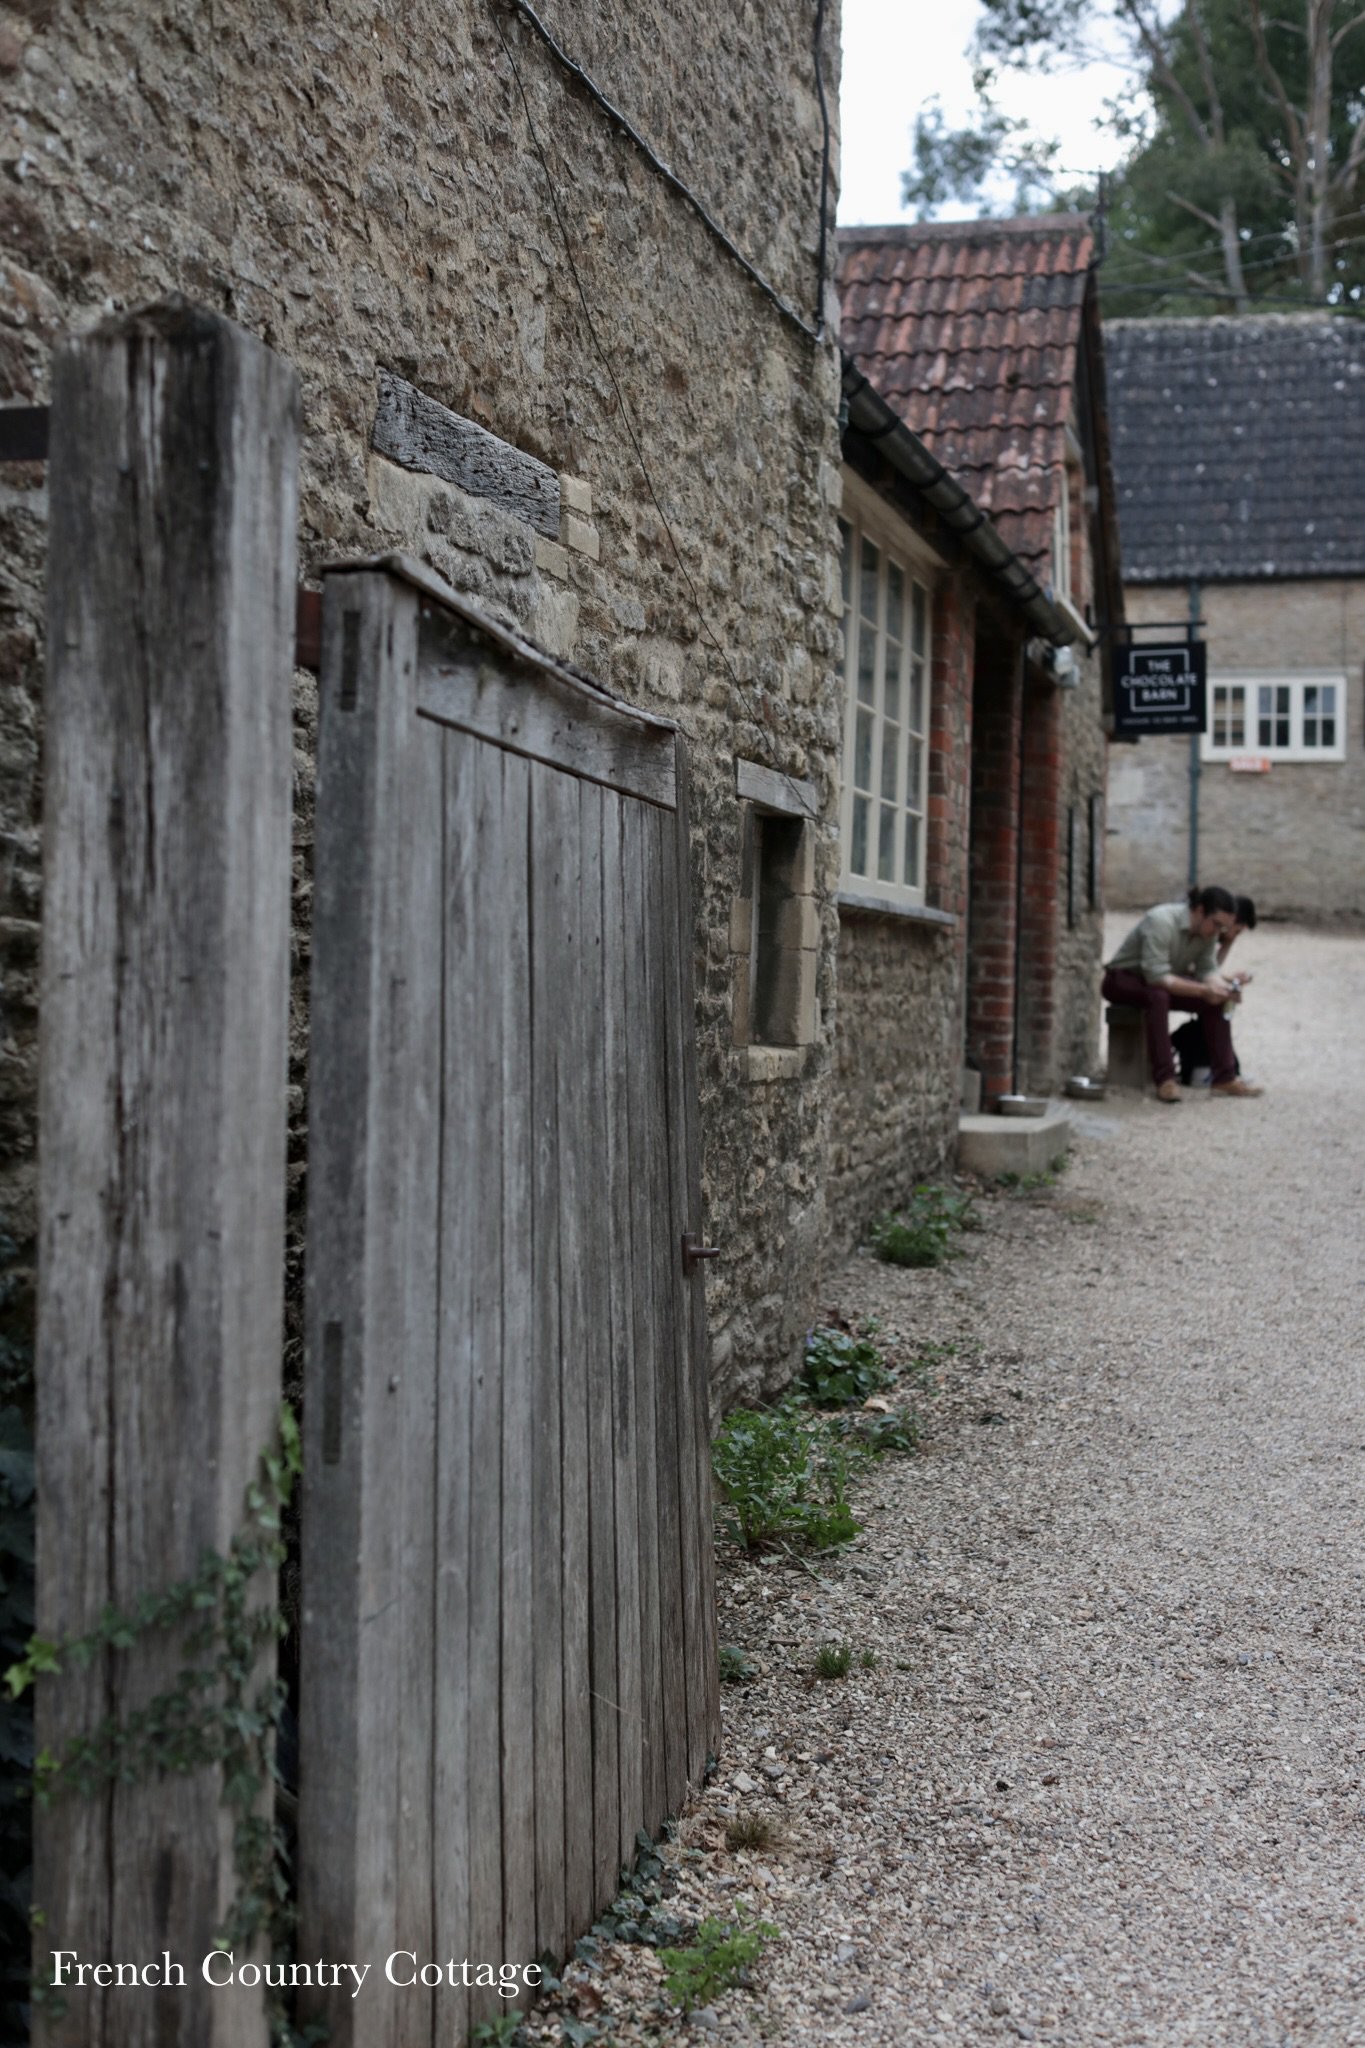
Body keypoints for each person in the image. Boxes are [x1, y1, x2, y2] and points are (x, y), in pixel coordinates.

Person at [1102, 886, 1264, 1102]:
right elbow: (1157, 976)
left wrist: (1224, 990)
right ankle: (1165, 1079)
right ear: (1199, 910)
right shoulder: (1161, 920)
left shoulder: (1208, 932)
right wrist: (1203, 990)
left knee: (1216, 1002)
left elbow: (1207, 970)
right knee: (1158, 996)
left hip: (1159, 981)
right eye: (1216, 924)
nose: (1218, 932)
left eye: (1223, 928)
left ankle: (1224, 1078)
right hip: (1122, 979)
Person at [1172, 894, 1257, 1083]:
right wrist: (1226, 980)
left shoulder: (1212, 932)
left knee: (1221, 999)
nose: (1232, 934)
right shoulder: (1203, 929)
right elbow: (1195, 971)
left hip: (1182, 978)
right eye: (1237, 931)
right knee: (1216, 1002)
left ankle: (1224, 1070)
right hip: (1170, 981)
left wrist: (1228, 943)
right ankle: (1222, 1071)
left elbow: (1210, 969)